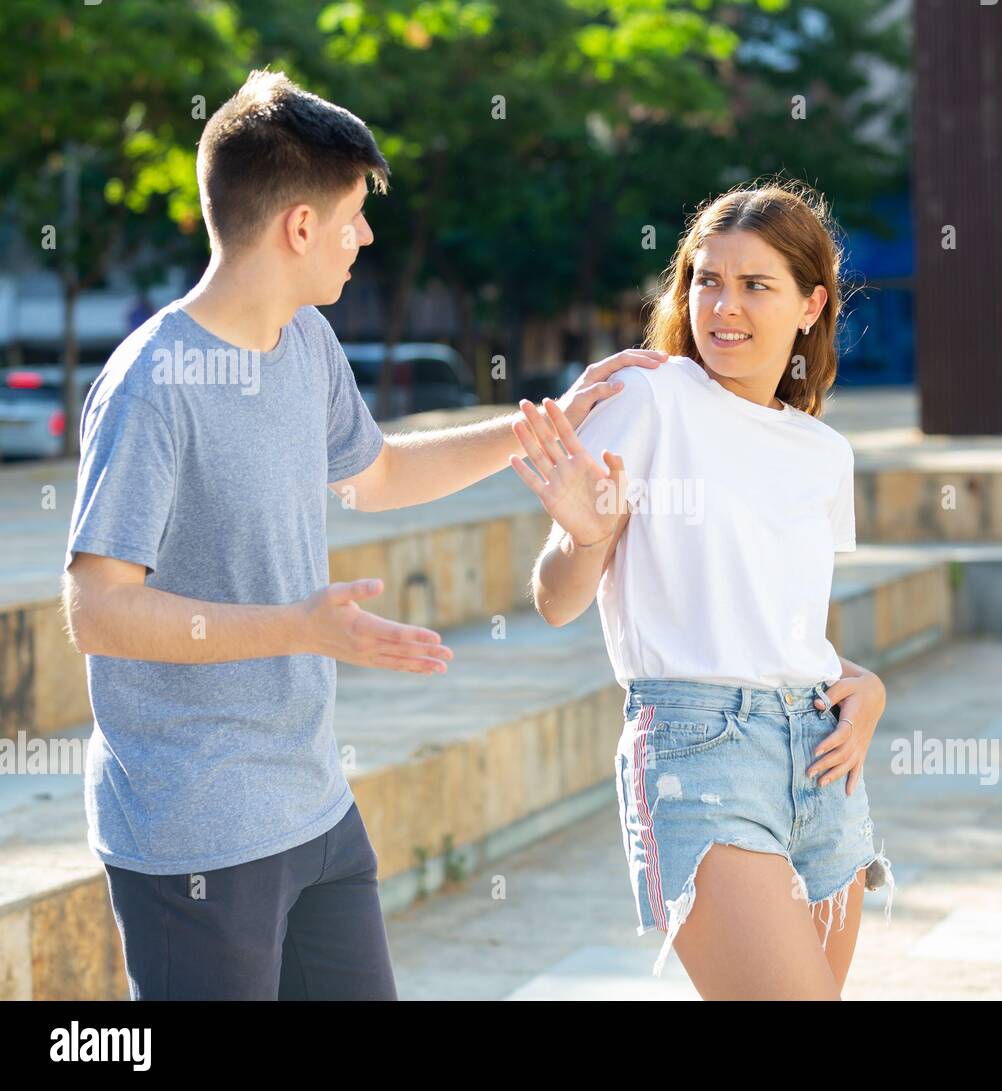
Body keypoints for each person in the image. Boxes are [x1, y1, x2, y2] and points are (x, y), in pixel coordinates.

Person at [60, 68, 665, 1000]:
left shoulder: (304, 340)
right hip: (195, 831)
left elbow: (375, 472)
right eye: (353, 217)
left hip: (314, 808)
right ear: (300, 226)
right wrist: (299, 626)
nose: (366, 236)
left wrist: (537, 427)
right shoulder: (154, 384)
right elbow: (97, 609)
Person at [509, 179, 896, 1000]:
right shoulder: (649, 398)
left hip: (823, 761)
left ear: (810, 303)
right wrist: (589, 535)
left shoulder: (824, 452)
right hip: (699, 750)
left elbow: (784, 633)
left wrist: (867, 687)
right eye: (705, 278)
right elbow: (554, 599)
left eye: (756, 284)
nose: (722, 304)